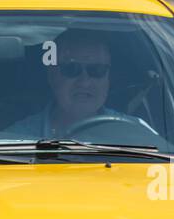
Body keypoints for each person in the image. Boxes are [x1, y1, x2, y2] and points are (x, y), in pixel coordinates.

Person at [8, 28, 155, 140]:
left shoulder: (136, 135)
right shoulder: (16, 139)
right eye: (71, 69)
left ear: (108, 78)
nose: (84, 82)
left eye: (97, 70)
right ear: (52, 76)